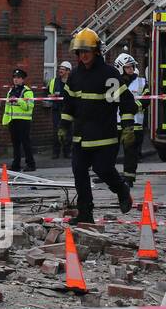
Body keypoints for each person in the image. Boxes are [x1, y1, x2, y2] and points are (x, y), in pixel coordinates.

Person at [61, 28, 137, 223]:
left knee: (103, 169)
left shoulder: (109, 74)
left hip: (105, 135)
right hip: (81, 137)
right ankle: (85, 214)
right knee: (79, 172)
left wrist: (128, 126)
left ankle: (122, 190)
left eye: (87, 51)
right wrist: (63, 126)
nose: (83, 55)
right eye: (80, 52)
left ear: (96, 51)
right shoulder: (75, 75)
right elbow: (68, 104)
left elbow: (126, 102)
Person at [113, 52, 147, 185]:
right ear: (120, 68)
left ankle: (129, 178)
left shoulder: (141, 82)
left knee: (131, 153)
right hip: (115, 123)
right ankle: (109, 175)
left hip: (135, 124)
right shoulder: (113, 83)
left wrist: (133, 106)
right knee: (110, 152)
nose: (131, 69)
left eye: (132, 67)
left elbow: (146, 99)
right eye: (128, 67)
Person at [1, 67, 36, 171]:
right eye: (14, 77)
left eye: (18, 77)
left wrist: (18, 100)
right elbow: (7, 106)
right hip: (13, 120)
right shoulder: (11, 91)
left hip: (24, 121)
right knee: (15, 144)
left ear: (23, 79)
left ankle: (31, 164)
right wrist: (5, 119)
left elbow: (29, 106)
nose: (15, 79)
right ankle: (16, 164)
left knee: (25, 143)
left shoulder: (27, 91)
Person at [48, 61, 73, 158]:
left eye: (63, 69)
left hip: (68, 109)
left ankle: (67, 152)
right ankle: (56, 152)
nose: (60, 71)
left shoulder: (72, 82)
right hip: (57, 109)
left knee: (69, 131)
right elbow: (49, 94)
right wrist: (52, 96)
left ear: (68, 71)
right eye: (60, 69)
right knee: (56, 131)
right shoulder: (54, 81)